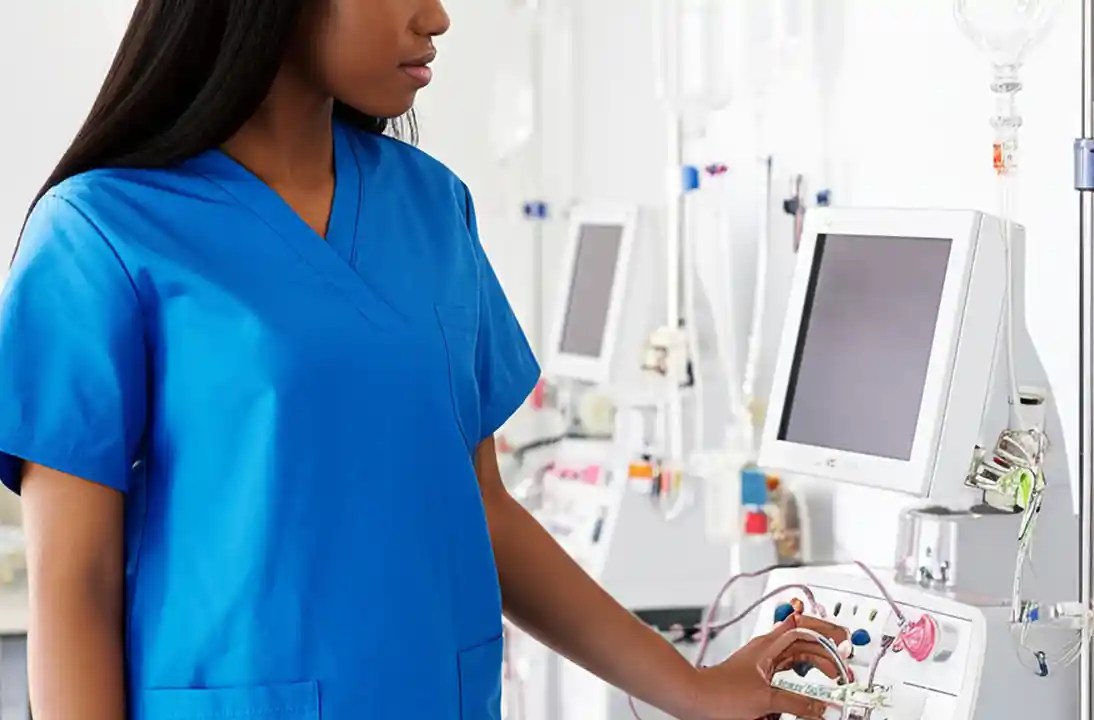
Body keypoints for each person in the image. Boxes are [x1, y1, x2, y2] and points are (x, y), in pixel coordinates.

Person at [0, 1, 848, 718]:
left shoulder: (432, 206)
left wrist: (693, 692)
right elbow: (76, 583)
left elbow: (483, 508)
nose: (436, 16)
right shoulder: (100, 232)